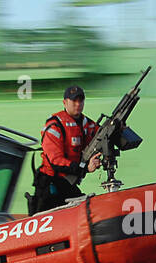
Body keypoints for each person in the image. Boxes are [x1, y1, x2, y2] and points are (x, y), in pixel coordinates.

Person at [28, 85, 102, 214]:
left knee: (84, 209)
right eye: (74, 101)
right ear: (65, 102)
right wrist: (84, 168)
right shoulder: (55, 126)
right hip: (50, 184)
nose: (78, 104)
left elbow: (103, 134)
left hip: (67, 184)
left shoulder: (88, 124)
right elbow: (56, 161)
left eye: (81, 100)